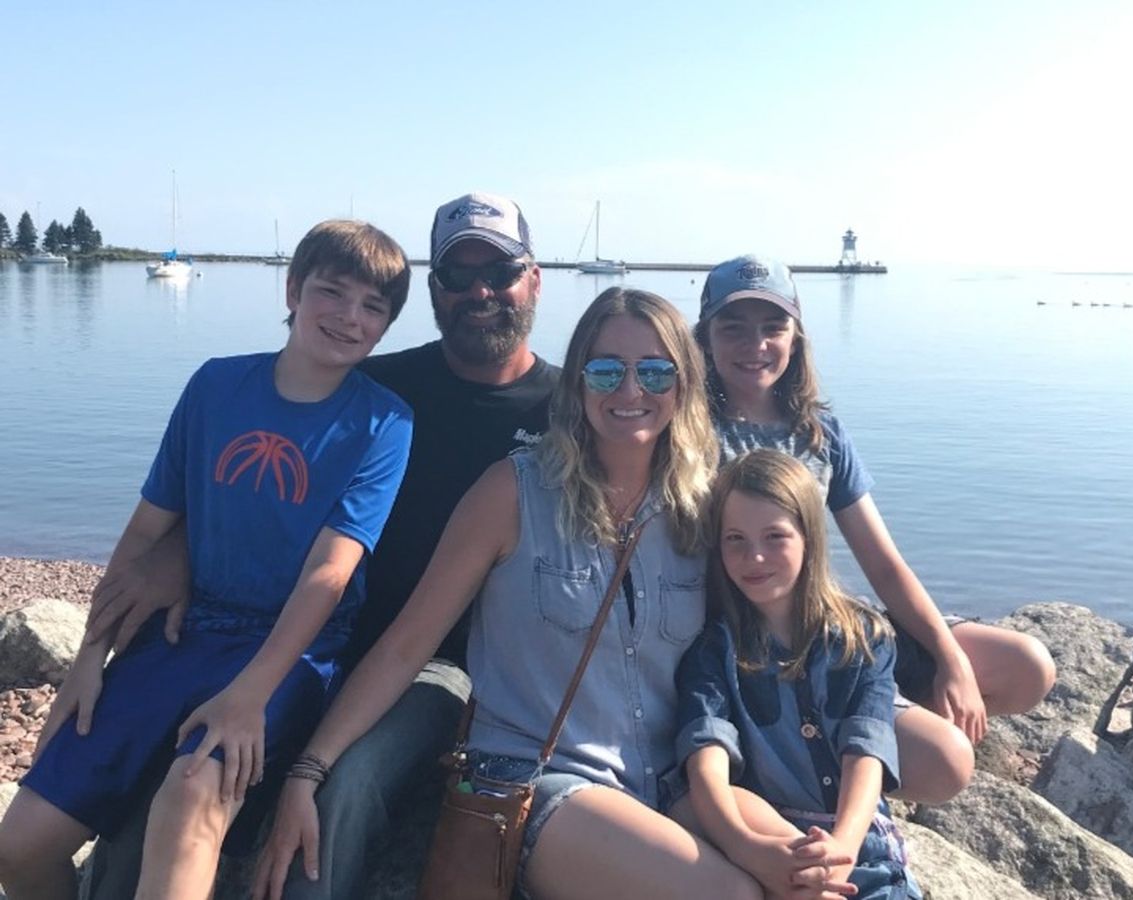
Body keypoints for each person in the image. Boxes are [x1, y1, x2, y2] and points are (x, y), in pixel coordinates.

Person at [77, 191, 559, 900]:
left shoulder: (568, 411)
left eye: (501, 272)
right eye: (459, 276)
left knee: (346, 784)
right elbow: (258, 484)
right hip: (316, 640)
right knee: (167, 777)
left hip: (445, 665)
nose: (480, 292)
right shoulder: (380, 391)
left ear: (534, 280)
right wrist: (177, 556)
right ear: (434, 291)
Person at [255, 288, 804, 900]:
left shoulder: (701, 508)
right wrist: (310, 769)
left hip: (669, 779)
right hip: (536, 782)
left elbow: (765, 631)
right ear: (578, 382)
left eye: (655, 371)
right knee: (732, 895)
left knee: (810, 881)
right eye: (606, 370)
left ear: (684, 383)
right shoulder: (512, 493)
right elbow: (406, 646)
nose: (630, 390)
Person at [0, 220, 415, 900]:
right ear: (292, 290)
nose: (349, 316)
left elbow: (329, 573)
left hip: (291, 653)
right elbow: (145, 534)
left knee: (192, 793)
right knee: (19, 846)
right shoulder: (216, 387)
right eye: (332, 292)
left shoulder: (384, 423)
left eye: (373, 306)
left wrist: (251, 695)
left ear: (386, 326)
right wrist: (88, 660)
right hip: (181, 633)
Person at [693, 254, 1056, 803]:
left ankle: (847, 734)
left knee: (1028, 667)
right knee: (946, 762)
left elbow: (883, 564)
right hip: (755, 645)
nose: (756, 345)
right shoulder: (687, 432)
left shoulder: (820, 433)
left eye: (773, 327)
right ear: (704, 338)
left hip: (831, 623)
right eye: (733, 328)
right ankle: (807, 762)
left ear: (796, 337)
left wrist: (950, 659)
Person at [675, 449, 921, 900]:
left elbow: (866, 751)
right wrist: (744, 845)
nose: (755, 556)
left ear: (808, 536)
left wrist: (842, 848)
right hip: (773, 845)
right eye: (735, 539)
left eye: (775, 536)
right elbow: (707, 760)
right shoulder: (713, 651)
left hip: (861, 846)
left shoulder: (863, 637)